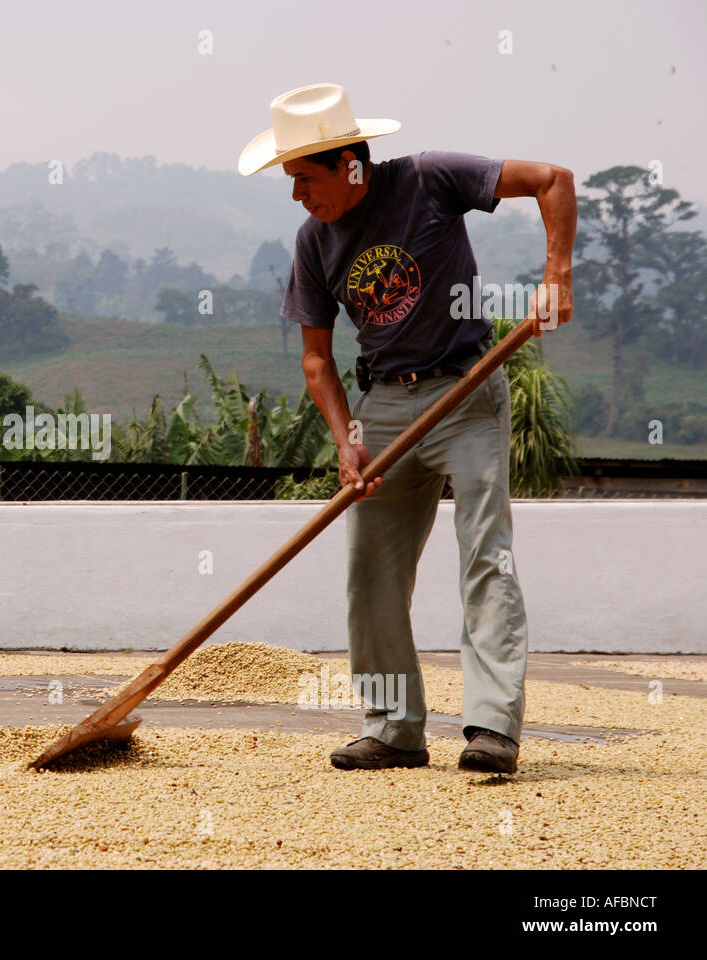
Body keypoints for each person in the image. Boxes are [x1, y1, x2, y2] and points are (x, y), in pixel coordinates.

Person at [238, 83, 576, 774]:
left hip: (467, 389)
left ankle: (491, 729)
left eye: (305, 177)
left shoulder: (429, 178)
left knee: (486, 553)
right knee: (372, 573)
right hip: (385, 407)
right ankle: (393, 731)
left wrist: (557, 276)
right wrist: (346, 441)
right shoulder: (314, 242)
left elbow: (553, 180)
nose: (298, 194)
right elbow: (314, 358)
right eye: (290, 181)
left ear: (350, 165)